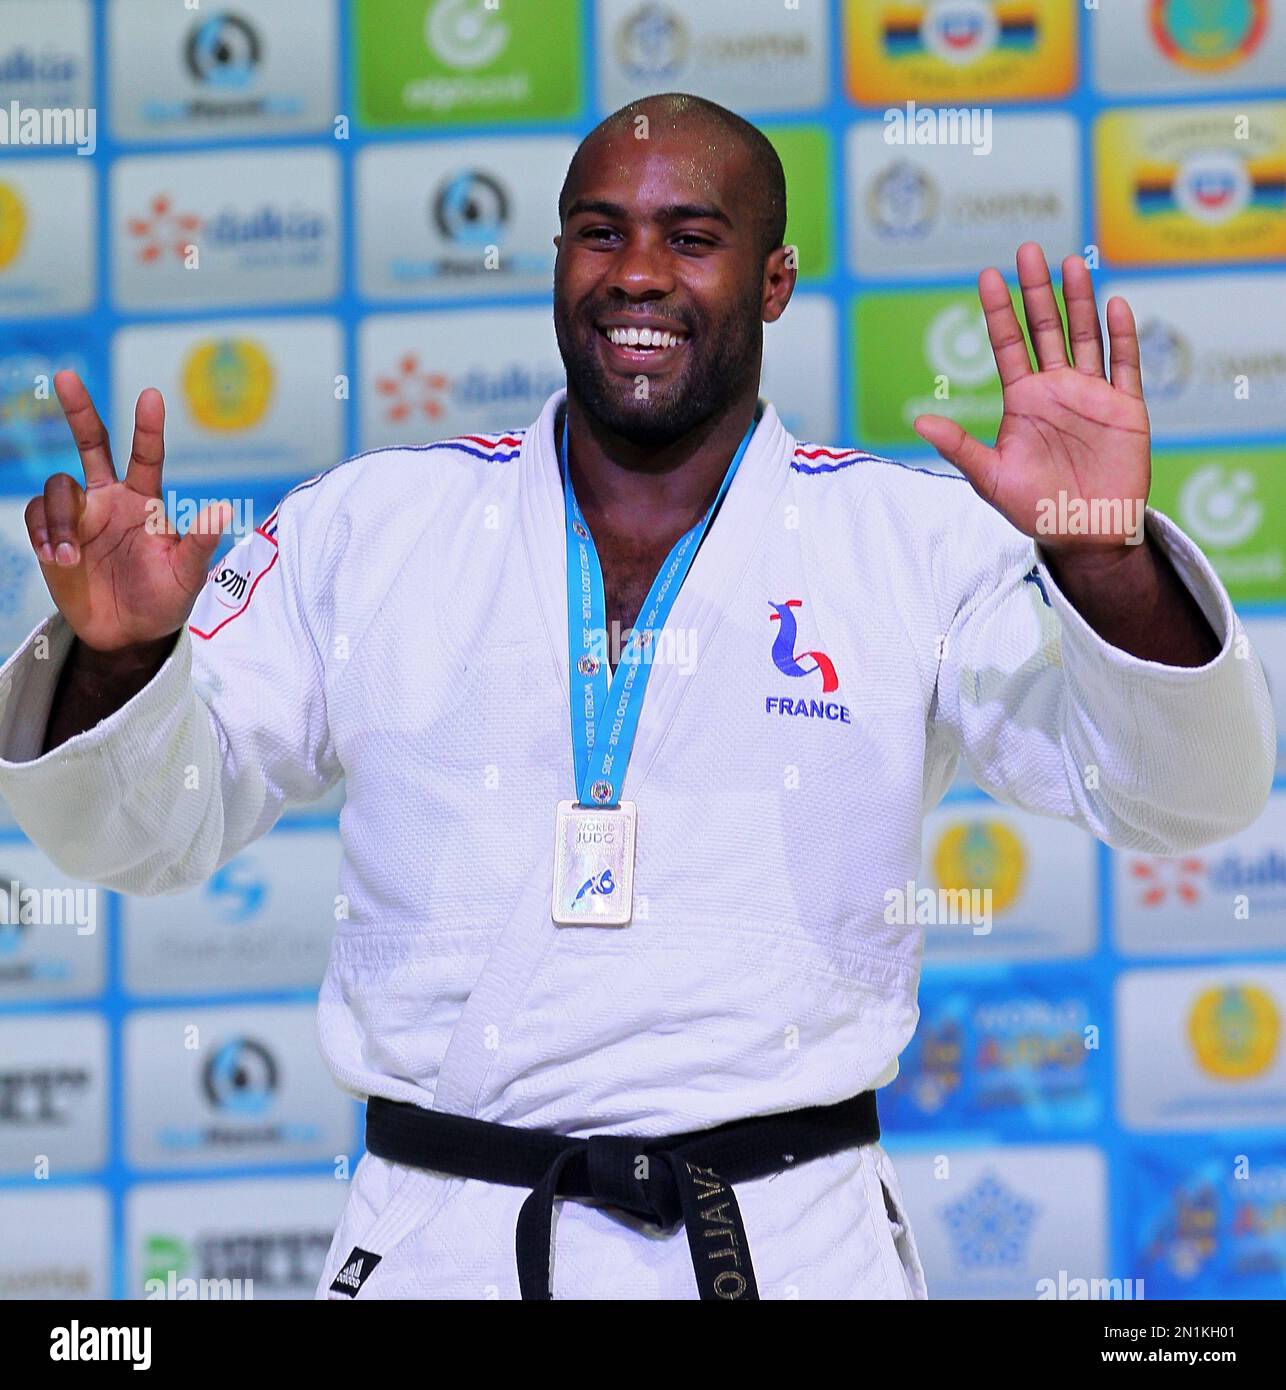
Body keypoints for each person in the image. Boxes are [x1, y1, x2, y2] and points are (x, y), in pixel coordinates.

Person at [0, 93, 1274, 1300]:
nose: (637, 274)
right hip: (448, 1238)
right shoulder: (374, 527)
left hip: (783, 1244)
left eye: (692, 238)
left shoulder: (905, 541)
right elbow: (148, 834)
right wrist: (118, 659)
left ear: (773, 282)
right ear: (556, 259)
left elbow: (1178, 800)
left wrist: (1101, 556)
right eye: (599, 233)